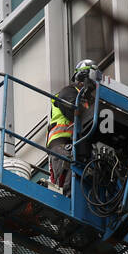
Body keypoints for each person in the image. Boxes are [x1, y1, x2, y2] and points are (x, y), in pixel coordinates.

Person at [45, 59, 97, 196]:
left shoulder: (89, 100)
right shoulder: (68, 92)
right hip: (62, 143)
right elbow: (76, 113)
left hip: (78, 146)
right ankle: (68, 199)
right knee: (68, 175)